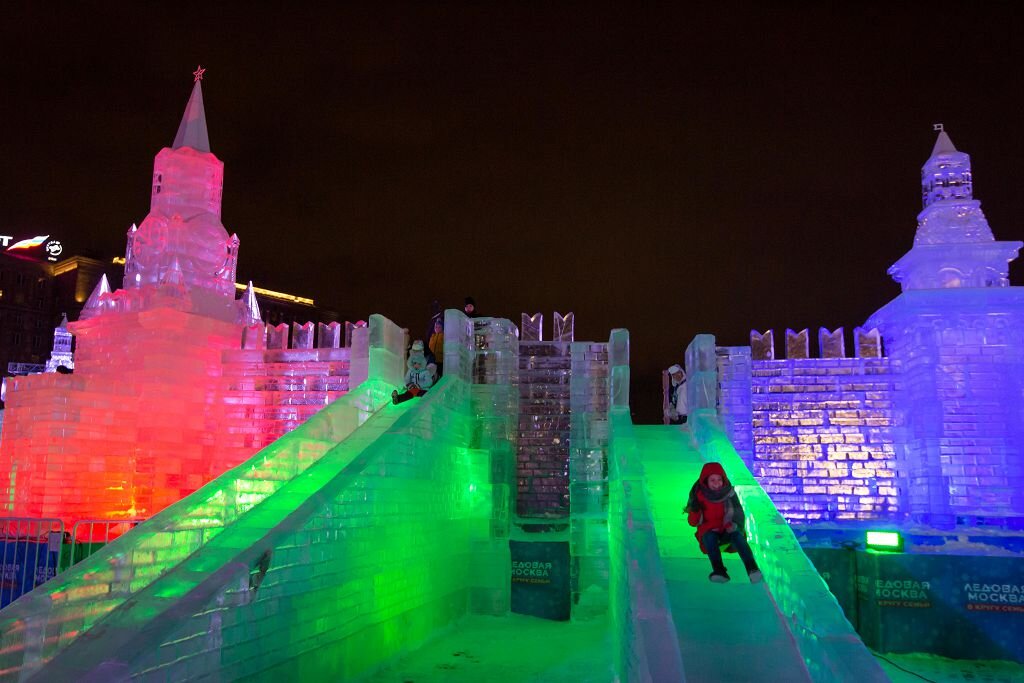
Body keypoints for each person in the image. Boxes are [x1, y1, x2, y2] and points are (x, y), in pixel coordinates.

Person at [685, 462, 762, 584]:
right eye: (712, 480)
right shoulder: (699, 496)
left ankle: (752, 568)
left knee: (738, 535)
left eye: (719, 479)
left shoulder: (729, 493)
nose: (717, 484)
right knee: (709, 537)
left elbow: (738, 513)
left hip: (727, 528)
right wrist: (694, 510)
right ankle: (719, 570)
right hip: (710, 531)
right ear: (706, 481)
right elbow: (693, 522)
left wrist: (733, 525)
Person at [392, 340, 436, 404]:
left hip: (423, 389)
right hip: (412, 389)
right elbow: (406, 379)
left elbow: (429, 381)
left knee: (426, 395)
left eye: (418, 351)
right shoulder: (411, 370)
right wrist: (409, 385)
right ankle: (398, 399)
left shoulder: (426, 369)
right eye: (414, 351)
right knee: (408, 394)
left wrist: (418, 385)